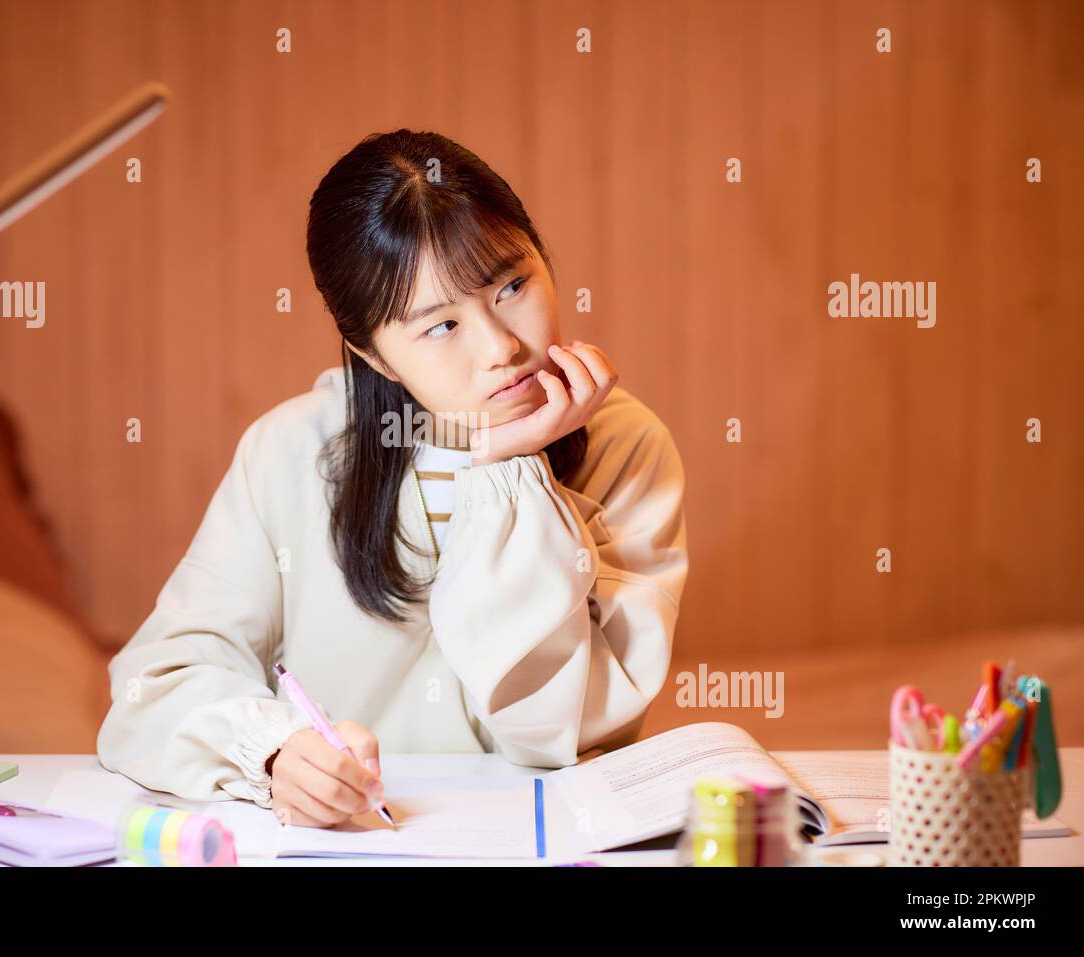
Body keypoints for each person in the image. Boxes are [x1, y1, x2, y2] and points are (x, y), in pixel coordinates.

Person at [97, 129, 689, 828]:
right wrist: (275, 752)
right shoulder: (291, 450)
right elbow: (150, 689)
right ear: (373, 356)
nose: (502, 347)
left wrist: (508, 467)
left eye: (512, 284)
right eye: (440, 327)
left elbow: (560, 734)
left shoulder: (627, 445)